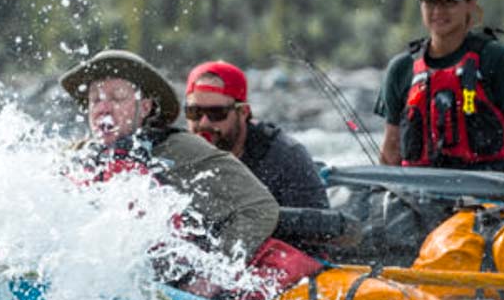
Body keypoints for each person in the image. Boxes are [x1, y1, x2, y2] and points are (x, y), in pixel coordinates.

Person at [60, 50, 281, 264]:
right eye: (95, 100)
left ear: (145, 107)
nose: (103, 108)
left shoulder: (181, 147)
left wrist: (211, 276)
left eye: (117, 98)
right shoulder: (78, 155)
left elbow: (261, 208)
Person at [374, 0, 504, 198]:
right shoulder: (401, 69)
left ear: (469, 5)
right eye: (430, 2)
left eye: (449, 2)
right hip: (420, 200)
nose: (438, 11)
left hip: (489, 200)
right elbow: (391, 150)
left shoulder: (498, 59)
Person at [183, 60, 330, 210]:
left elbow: (320, 229)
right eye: (194, 112)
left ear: (243, 112)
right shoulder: (176, 155)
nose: (203, 123)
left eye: (216, 113)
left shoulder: (286, 157)